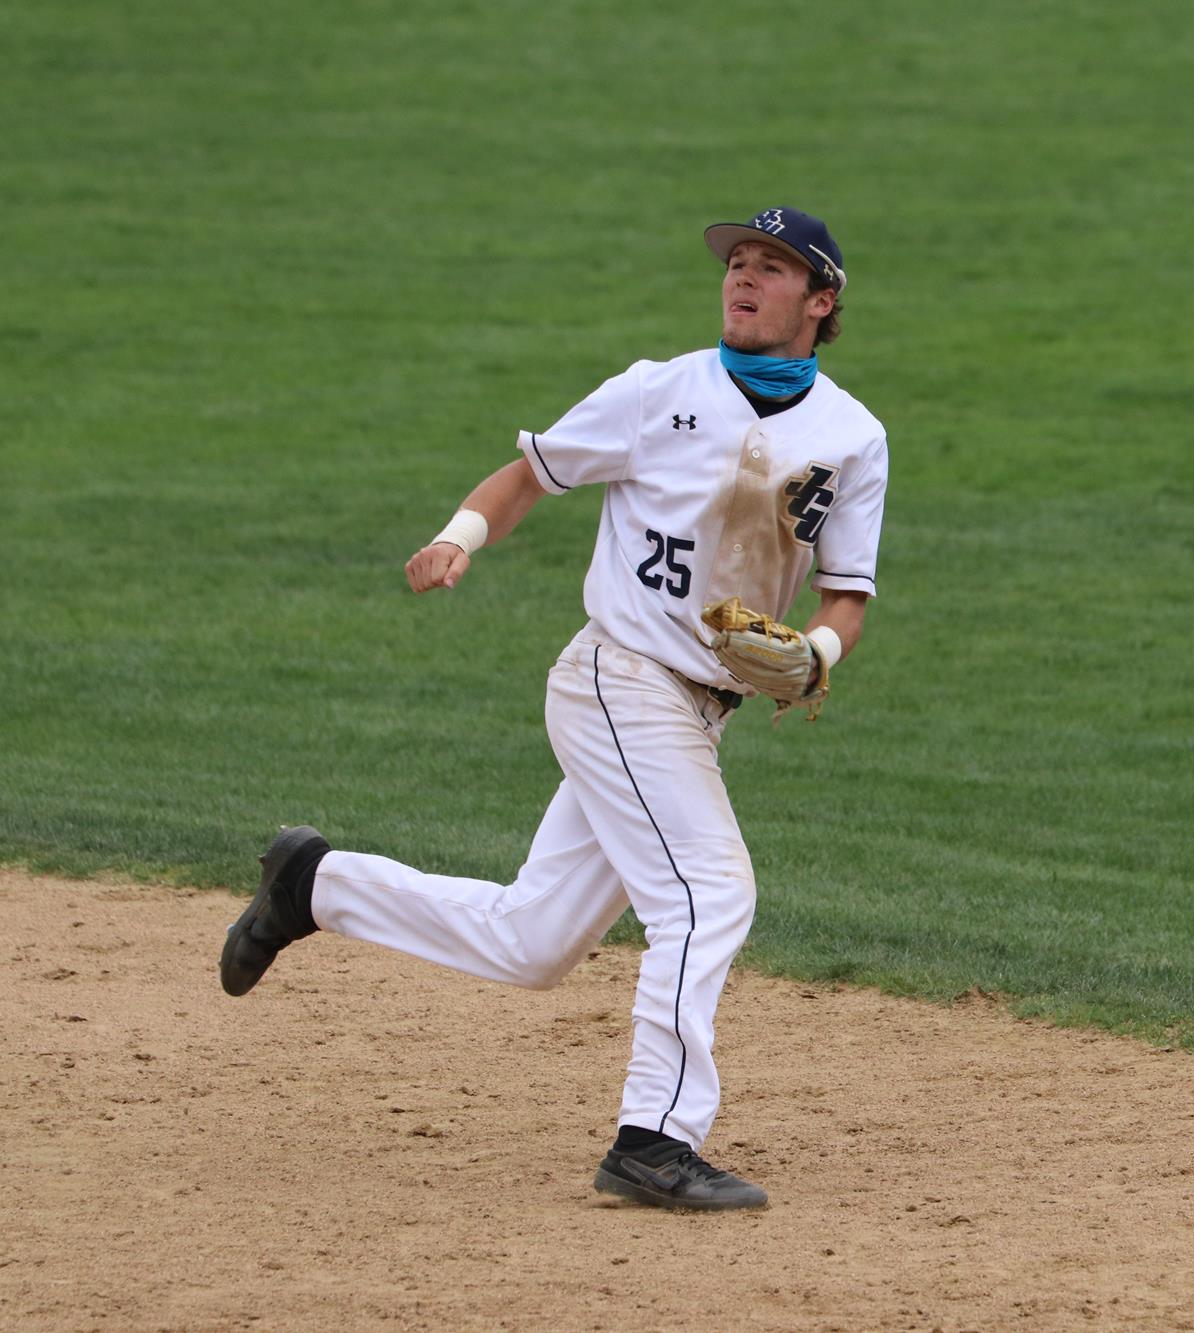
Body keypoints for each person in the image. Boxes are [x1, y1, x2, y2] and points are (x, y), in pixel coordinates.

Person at [219, 207, 888, 1212]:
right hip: (618, 680)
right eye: (736, 264)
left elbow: (847, 592)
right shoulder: (658, 391)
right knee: (708, 894)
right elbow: (530, 473)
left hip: (701, 709)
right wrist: (459, 537)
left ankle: (314, 883)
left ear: (820, 299)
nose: (742, 279)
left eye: (772, 268)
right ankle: (654, 1140)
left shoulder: (852, 437)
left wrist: (816, 653)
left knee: (531, 940)